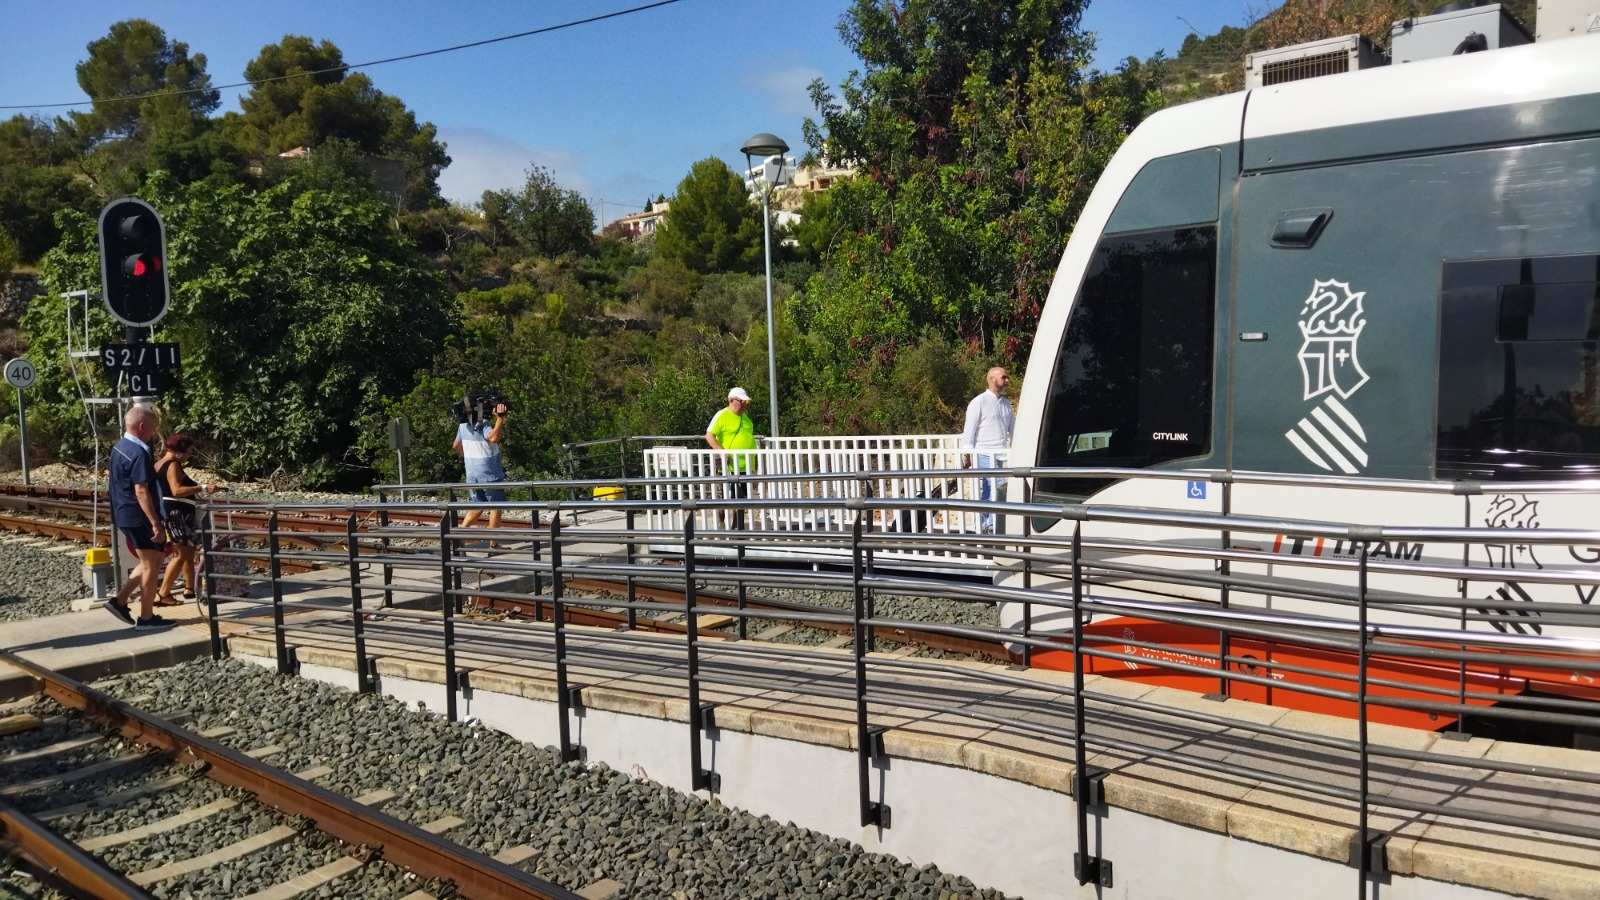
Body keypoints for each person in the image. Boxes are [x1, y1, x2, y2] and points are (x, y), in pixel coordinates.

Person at [104, 404, 174, 629]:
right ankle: (146, 618)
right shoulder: (138, 452)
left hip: (125, 512)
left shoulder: (119, 447)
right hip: (138, 515)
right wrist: (155, 522)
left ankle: (119, 601)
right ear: (142, 426)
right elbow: (141, 490)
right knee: (151, 564)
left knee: (151, 560)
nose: (153, 433)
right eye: (152, 428)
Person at [155, 434, 224, 605]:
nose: (189, 455)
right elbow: (176, 490)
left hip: (170, 512)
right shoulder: (173, 465)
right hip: (178, 513)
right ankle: (163, 594)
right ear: (179, 451)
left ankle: (189, 587)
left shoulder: (158, 464)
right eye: (189, 451)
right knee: (181, 554)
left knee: (186, 551)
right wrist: (202, 487)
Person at [961, 366, 1015, 534]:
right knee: (998, 485)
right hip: (983, 452)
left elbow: (1014, 429)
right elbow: (970, 429)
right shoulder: (979, 402)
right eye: (1004, 377)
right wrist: (967, 453)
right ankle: (994, 526)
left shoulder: (1006, 404)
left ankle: (982, 524)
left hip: (999, 453)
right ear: (992, 379)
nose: (1007, 380)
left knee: (988, 488)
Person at [454, 398, 507, 542]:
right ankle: (493, 545)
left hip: (472, 474)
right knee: (496, 507)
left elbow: (456, 446)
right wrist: (500, 419)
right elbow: (493, 437)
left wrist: (471, 457)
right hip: (489, 472)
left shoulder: (463, 425)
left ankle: (458, 536)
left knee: (478, 505)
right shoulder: (483, 424)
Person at [705, 387, 757, 528]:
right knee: (728, 499)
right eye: (742, 401)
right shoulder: (722, 415)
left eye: (747, 402)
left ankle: (737, 529)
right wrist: (721, 451)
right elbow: (709, 435)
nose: (745, 405)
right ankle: (723, 524)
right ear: (732, 400)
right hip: (730, 466)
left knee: (741, 500)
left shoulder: (746, 419)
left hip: (745, 465)